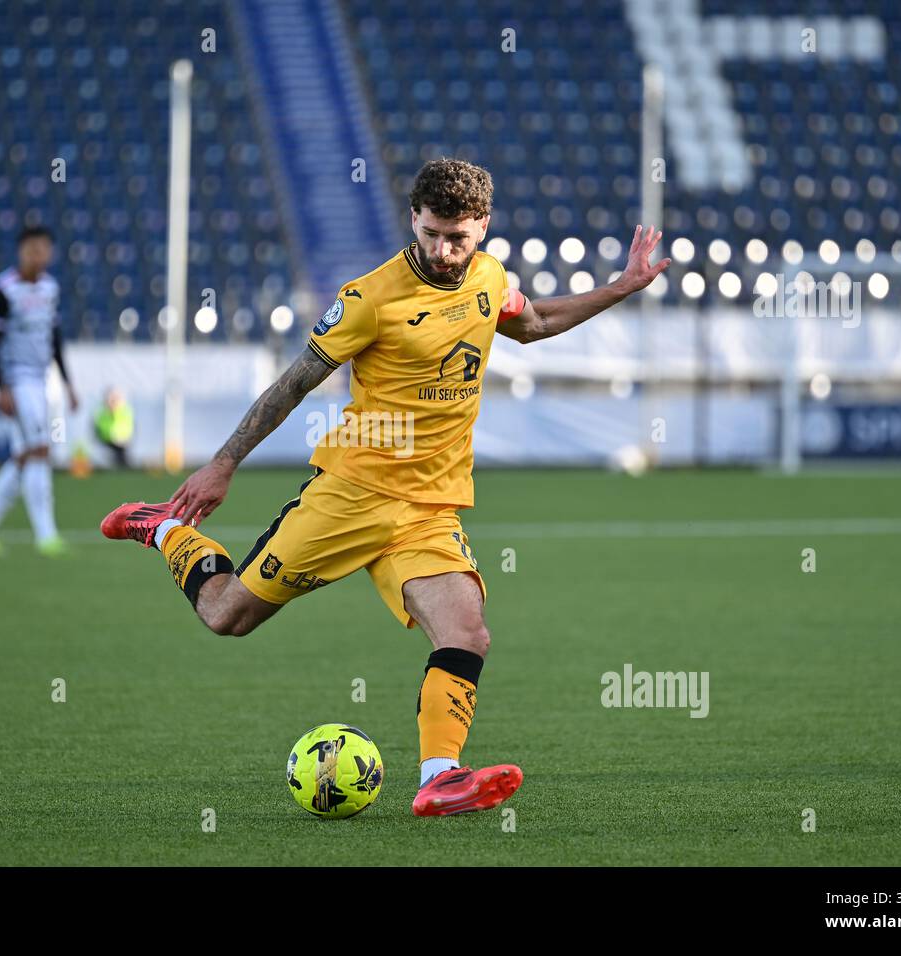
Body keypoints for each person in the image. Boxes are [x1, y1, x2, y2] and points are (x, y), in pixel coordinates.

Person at [100, 158, 670, 815]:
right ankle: (166, 530)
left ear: (482, 228)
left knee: (468, 632)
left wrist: (625, 286)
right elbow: (292, 385)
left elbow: (534, 322)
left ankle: (438, 777)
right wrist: (222, 463)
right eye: (430, 233)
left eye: (457, 237)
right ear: (413, 220)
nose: (442, 250)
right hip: (350, 493)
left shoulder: (488, 279)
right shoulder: (370, 298)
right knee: (227, 616)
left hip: (429, 509)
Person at [0, 225, 77, 556]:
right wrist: (2, 387)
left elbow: (54, 338)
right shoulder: (3, 291)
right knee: (41, 449)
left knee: (24, 455)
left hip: (42, 379)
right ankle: (46, 535)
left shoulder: (50, 288)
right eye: (32, 249)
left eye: (43, 249)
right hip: (18, 380)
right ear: (21, 251)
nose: (38, 255)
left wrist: (68, 382)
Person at [94, 387, 134, 468]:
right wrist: (112, 436)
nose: (113, 402)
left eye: (115, 399)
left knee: (122, 452)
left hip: (123, 442)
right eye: (112, 400)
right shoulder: (101, 413)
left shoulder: (126, 412)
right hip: (106, 441)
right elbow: (100, 430)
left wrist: (121, 437)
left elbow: (129, 429)